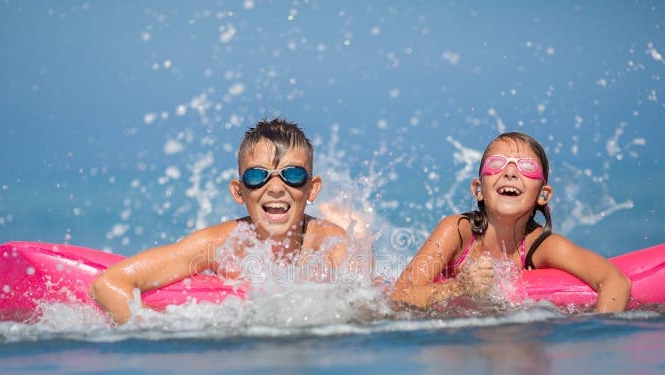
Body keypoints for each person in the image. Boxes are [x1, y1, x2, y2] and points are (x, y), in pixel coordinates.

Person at [90, 118, 349, 324]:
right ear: (238, 191)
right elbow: (108, 284)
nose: (275, 188)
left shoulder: (332, 246)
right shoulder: (218, 244)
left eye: (292, 174)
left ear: (312, 189)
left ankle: (347, 216)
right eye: (257, 176)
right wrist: (163, 330)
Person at [391, 131, 631, 312]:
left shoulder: (542, 246)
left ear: (543, 195)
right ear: (478, 189)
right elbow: (399, 296)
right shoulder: (458, 231)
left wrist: (599, 339)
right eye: (496, 164)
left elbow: (615, 280)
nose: (510, 172)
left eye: (527, 167)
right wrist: (460, 287)